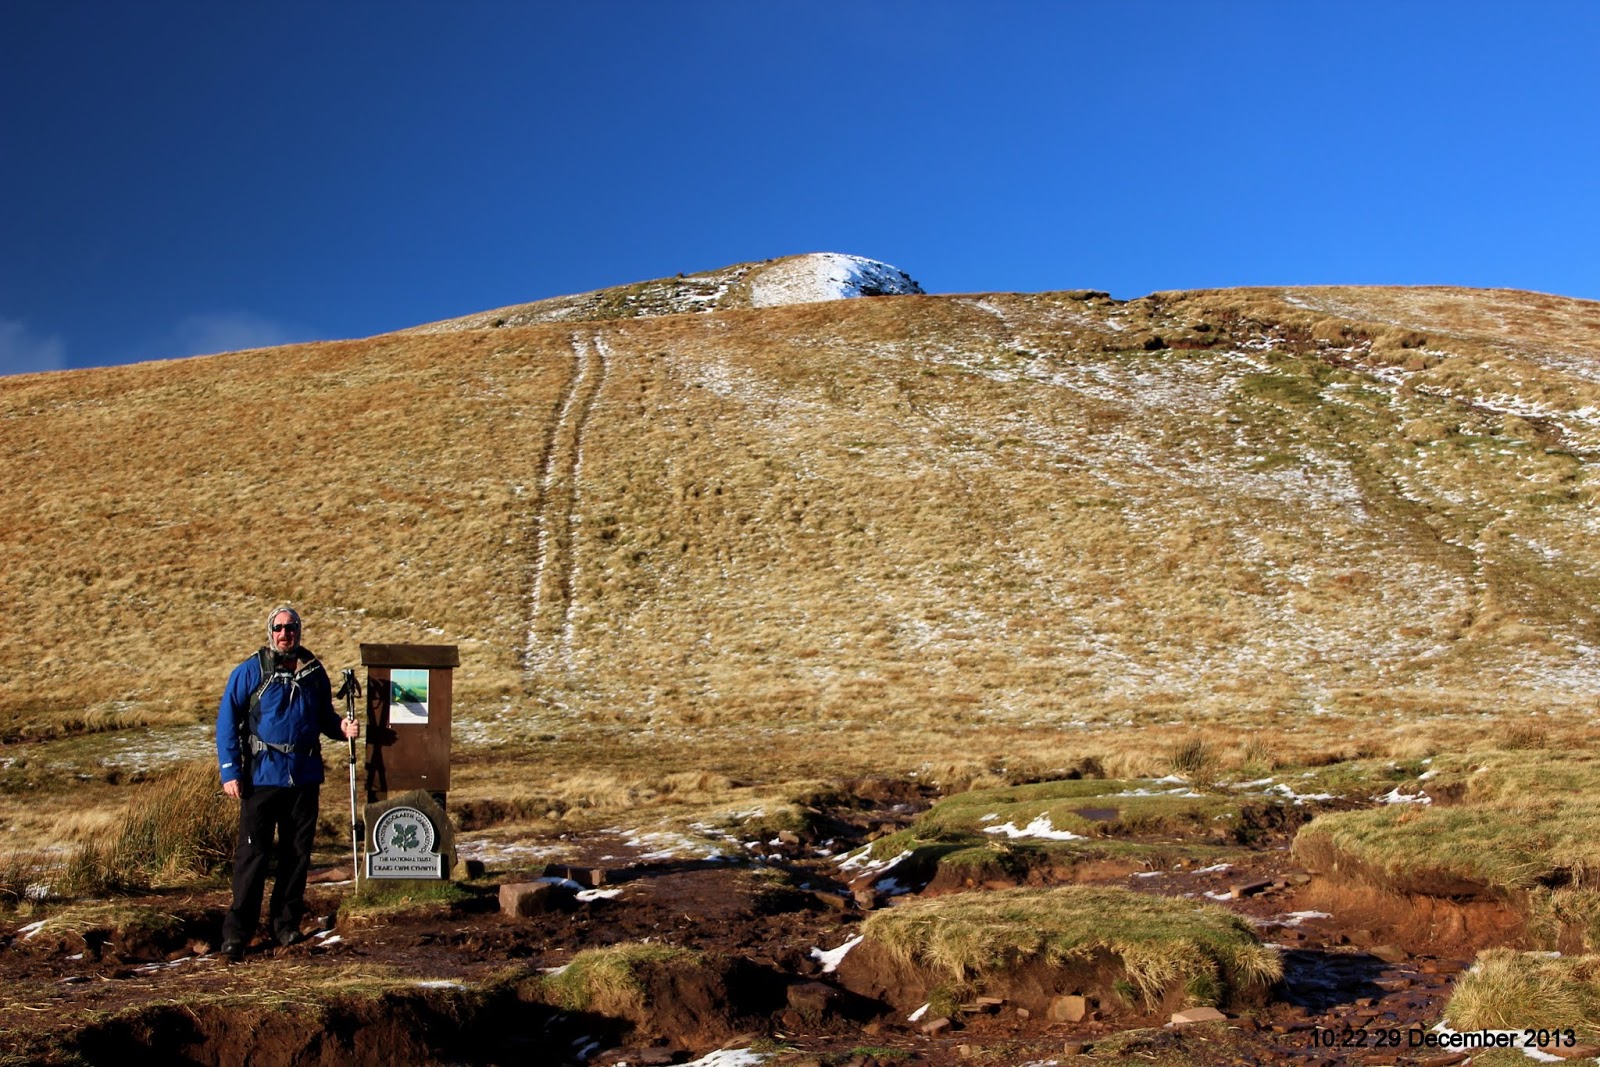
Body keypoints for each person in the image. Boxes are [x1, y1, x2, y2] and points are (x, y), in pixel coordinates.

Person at [215, 605, 360, 961]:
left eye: (291, 628)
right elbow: (227, 720)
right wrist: (230, 770)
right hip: (261, 777)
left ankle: (285, 926)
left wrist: (342, 729)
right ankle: (237, 934)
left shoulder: (313, 672)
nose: (285, 634)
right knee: (253, 856)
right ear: (270, 632)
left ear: (298, 630)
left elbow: (324, 716)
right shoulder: (250, 671)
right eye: (279, 628)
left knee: (297, 857)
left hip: (304, 777)